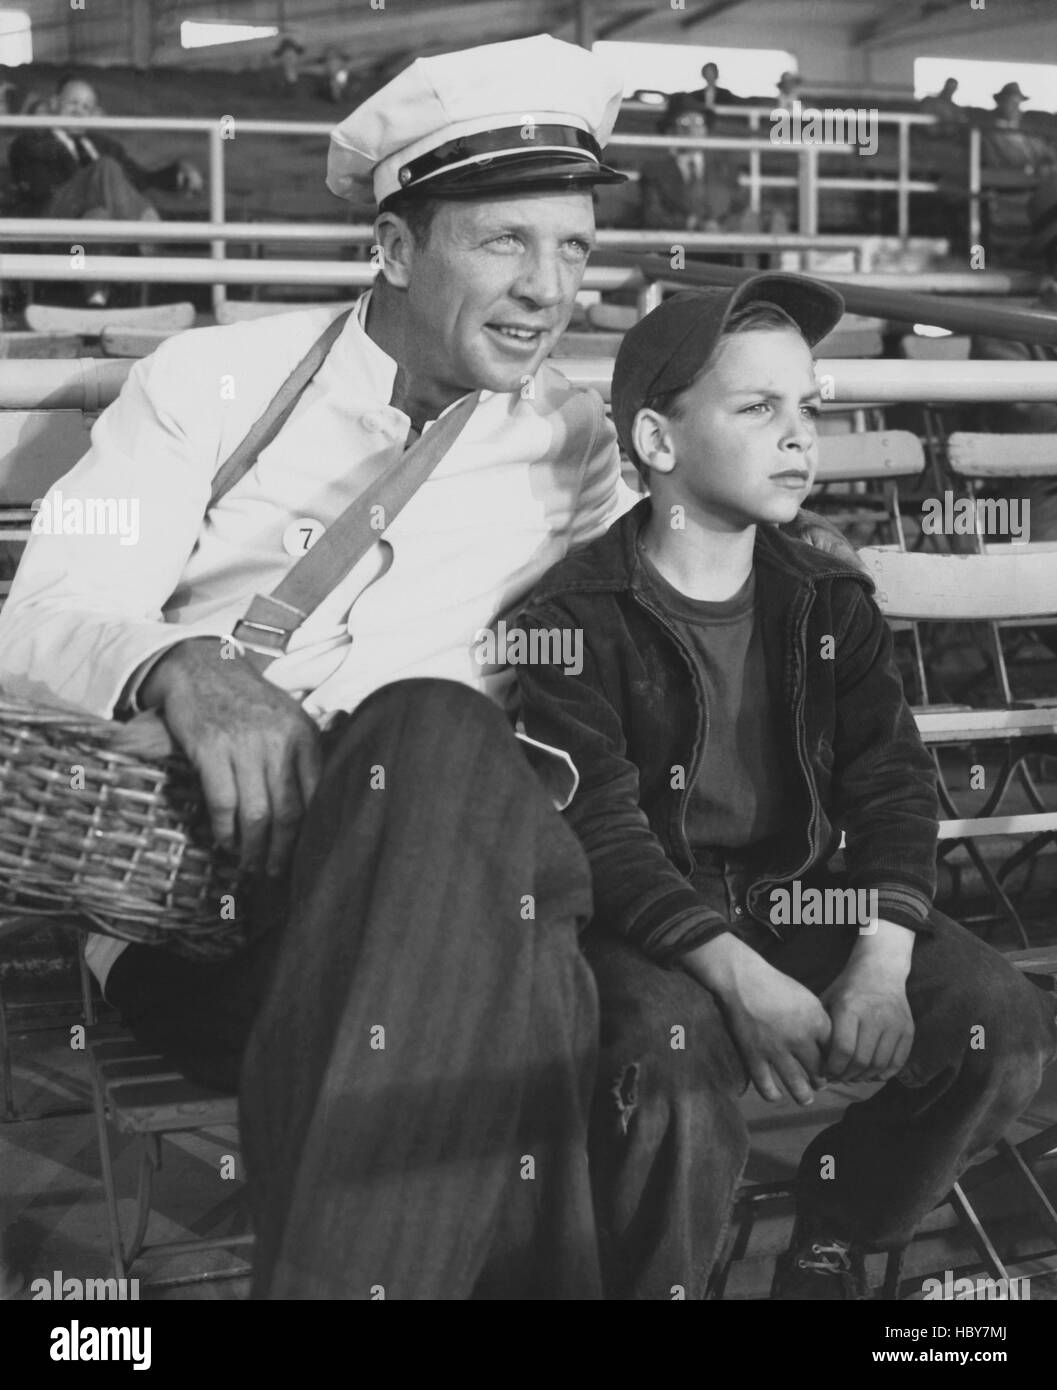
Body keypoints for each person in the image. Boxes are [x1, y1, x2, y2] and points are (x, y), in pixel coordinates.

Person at [0, 37, 860, 1299]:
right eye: (505, 243)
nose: (548, 289)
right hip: (229, 921)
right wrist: (181, 662)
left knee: (475, 780)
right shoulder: (208, 385)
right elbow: (38, 615)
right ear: (397, 249)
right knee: (611, 1005)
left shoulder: (575, 439)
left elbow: (650, 624)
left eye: (572, 250)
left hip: (498, 893)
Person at [513, 275, 1057, 1299]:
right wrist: (738, 979)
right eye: (757, 408)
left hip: (796, 894)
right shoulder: (576, 608)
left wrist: (883, 956)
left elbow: (893, 783)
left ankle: (839, 1226)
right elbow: (597, 830)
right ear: (659, 443)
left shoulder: (826, 591)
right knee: (665, 1073)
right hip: (639, 925)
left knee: (1003, 1029)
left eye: (808, 407)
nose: (799, 435)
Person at [7, 75, 203, 306]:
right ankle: (146, 227)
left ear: (94, 114)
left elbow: (139, 178)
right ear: (55, 103)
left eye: (86, 107)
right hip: (53, 221)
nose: (79, 111)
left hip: (85, 235)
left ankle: (97, 298)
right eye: (72, 104)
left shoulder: (103, 145)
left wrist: (178, 173)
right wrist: (91, 182)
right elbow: (39, 190)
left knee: (98, 214)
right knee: (106, 168)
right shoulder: (32, 141)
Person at [639, 96, 753, 233]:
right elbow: (652, 215)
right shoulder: (653, 170)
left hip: (720, 246)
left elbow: (739, 209)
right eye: (684, 122)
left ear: (705, 130)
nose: (691, 129)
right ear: (671, 131)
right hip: (675, 246)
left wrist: (721, 229)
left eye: (698, 122)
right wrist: (691, 224)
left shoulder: (726, 169)